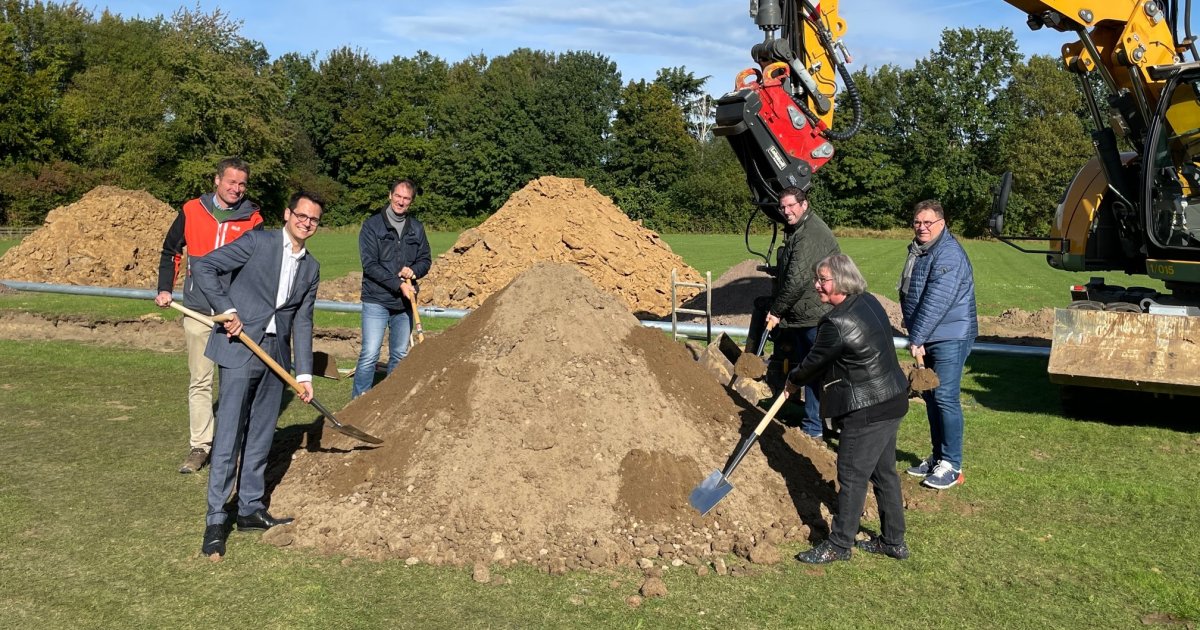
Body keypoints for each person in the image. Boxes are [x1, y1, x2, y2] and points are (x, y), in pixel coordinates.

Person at [192, 190, 324, 558]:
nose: (306, 222)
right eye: (301, 215)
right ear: (288, 213)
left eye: (313, 219)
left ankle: (250, 507)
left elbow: (302, 321)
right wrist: (227, 309)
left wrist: (305, 375)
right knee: (230, 434)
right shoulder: (257, 241)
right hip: (239, 347)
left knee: (262, 434)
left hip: (274, 357)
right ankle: (216, 518)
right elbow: (204, 265)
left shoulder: (311, 268)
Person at [786, 254, 911, 564]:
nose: (817, 285)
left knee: (852, 475)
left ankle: (839, 544)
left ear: (841, 281)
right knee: (884, 473)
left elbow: (815, 361)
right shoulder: (867, 301)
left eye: (823, 280)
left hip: (867, 408)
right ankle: (894, 542)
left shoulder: (836, 322)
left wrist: (793, 380)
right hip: (892, 398)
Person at [155, 157, 263, 474]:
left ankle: (229, 444)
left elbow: (256, 270)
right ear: (217, 180)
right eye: (231, 182)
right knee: (200, 381)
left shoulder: (253, 219)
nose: (236, 189)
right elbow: (171, 250)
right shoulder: (191, 210)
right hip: (197, 310)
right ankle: (200, 446)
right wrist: (165, 287)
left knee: (233, 384)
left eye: (242, 184)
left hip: (233, 315)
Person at [899, 199, 978, 490]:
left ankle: (953, 465)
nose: (921, 227)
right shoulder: (921, 250)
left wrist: (917, 337)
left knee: (944, 396)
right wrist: (915, 332)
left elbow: (937, 301)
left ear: (942, 224)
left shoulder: (948, 254)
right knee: (931, 396)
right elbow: (912, 291)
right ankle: (938, 458)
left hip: (950, 335)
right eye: (917, 222)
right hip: (930, 333)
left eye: (927, 222)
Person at [762, 186, 840, 438]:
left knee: (816, 372)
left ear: (804, 204)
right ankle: (812, 424)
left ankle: (814, 429)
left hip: (815, 315)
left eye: (791, 206)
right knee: (810, 371)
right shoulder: (800, 229)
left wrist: (776, 310)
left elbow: (797, 279)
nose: (786, 211)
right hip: (804, 314)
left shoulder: (810, 234)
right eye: (782, 207)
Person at [351, 178, 432, 399]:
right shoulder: (372, 225)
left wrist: (413, 272)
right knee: (369, 354)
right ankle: (358, 402)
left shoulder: (416, 228)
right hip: (376, 299)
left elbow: (425, 259)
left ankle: (390, 402)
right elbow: (370, 265)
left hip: (404, 303)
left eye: (406, 198)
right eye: (398, 196)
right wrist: (398, 284)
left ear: (411, 201)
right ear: (390, 196)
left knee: (399, 354)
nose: (401, 201)